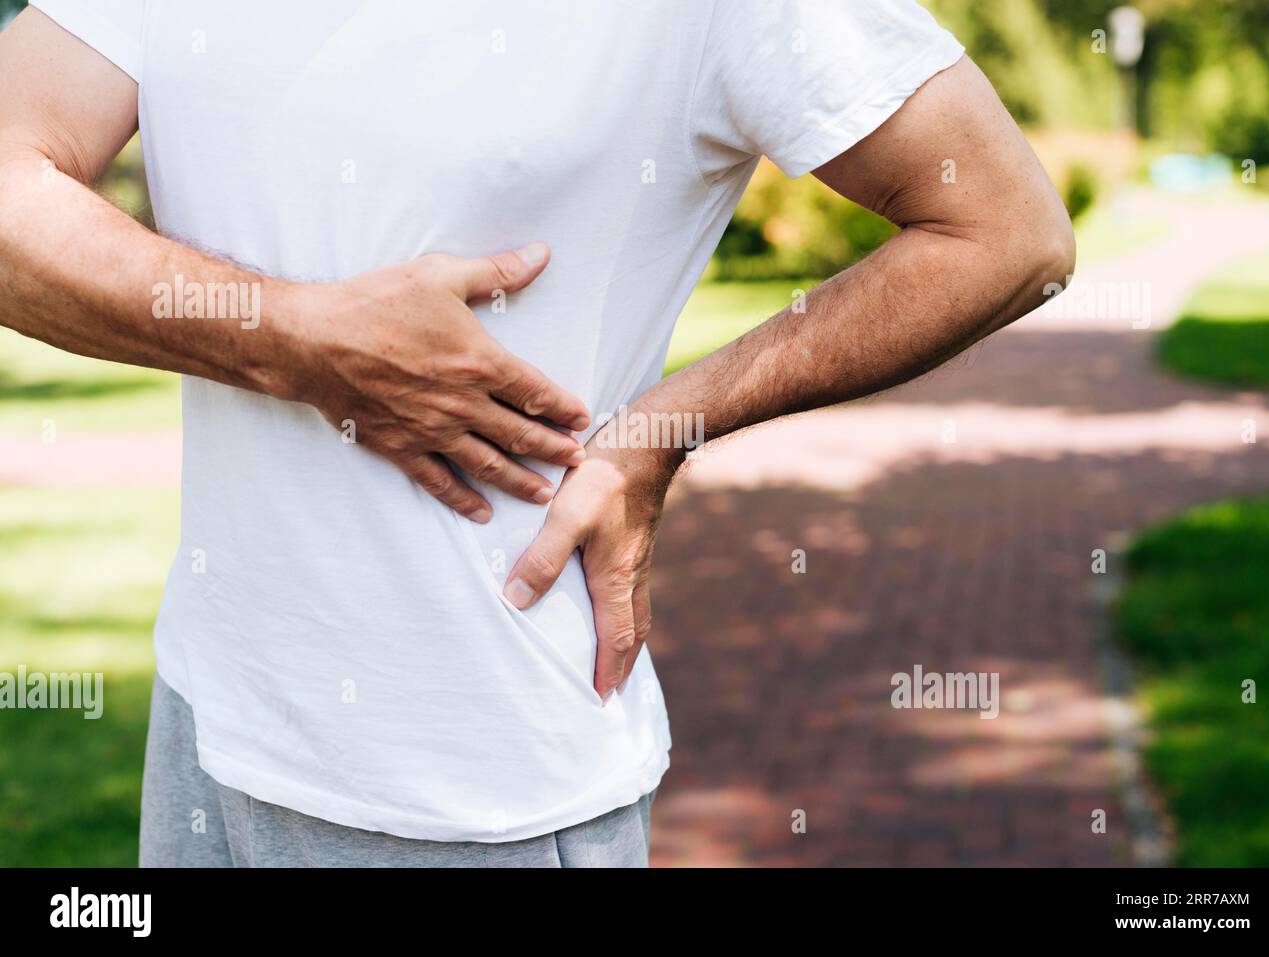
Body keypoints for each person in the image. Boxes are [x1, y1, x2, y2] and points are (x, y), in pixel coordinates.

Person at [0, 0, 1074, 867]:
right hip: (212, 722)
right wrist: (296, 340)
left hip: (478, 781)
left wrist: (663, 429)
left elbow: (1002, 229)